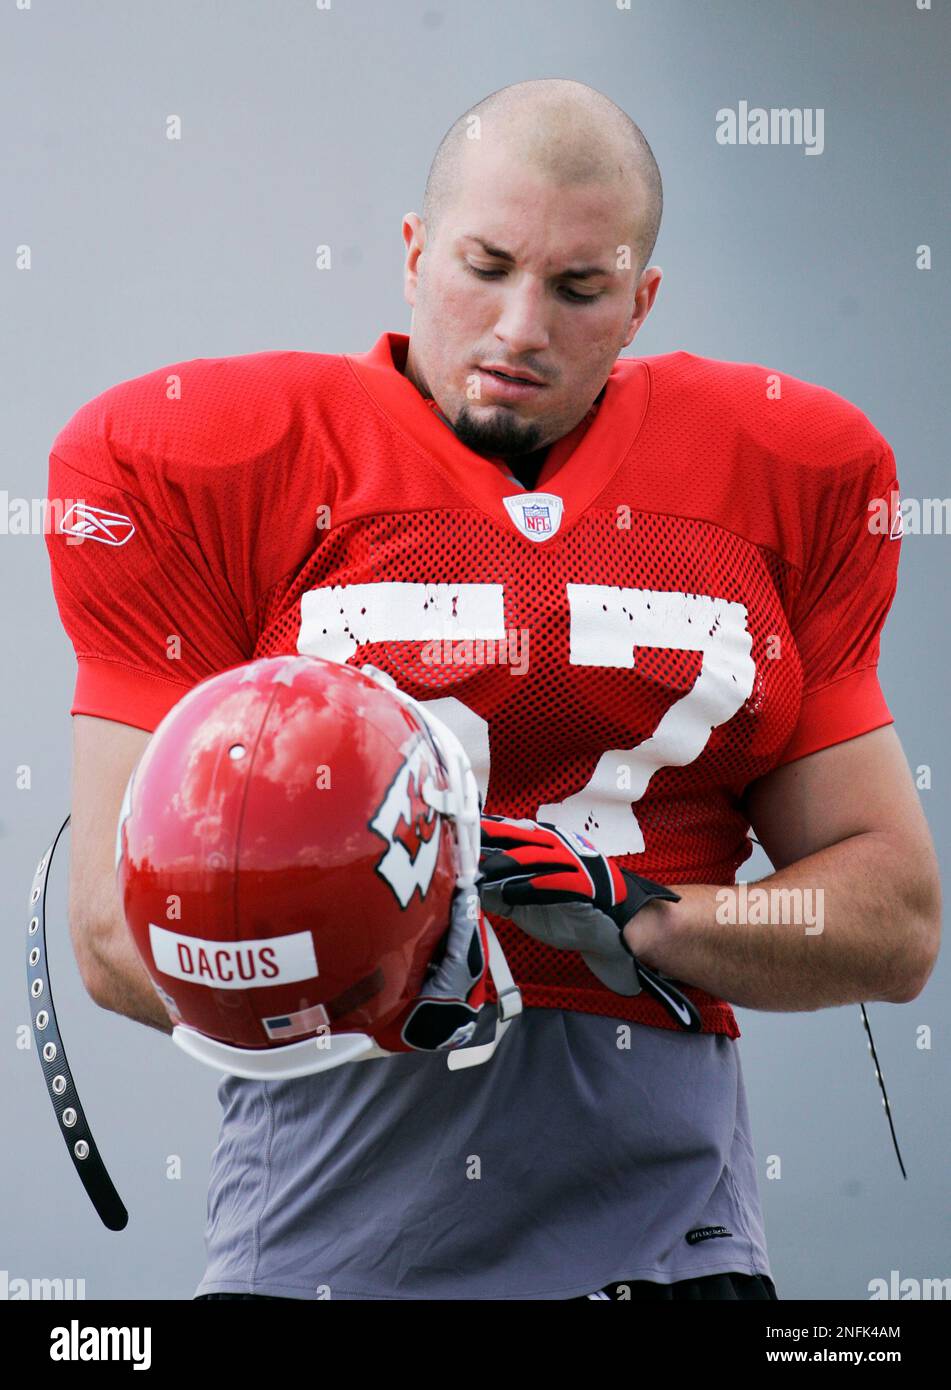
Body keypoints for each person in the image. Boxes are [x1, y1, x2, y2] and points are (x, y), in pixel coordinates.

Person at [45, 78, 940, 1301]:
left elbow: (894, 918)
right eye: (486, 266)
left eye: (578, 290)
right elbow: (114, 931)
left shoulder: (780, 473)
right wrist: (399, 965)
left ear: (640, 304)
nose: (521, 325)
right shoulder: (226, 462)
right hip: (326, 1239)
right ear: (413, 257)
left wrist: (645, 921)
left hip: (668, 1245)